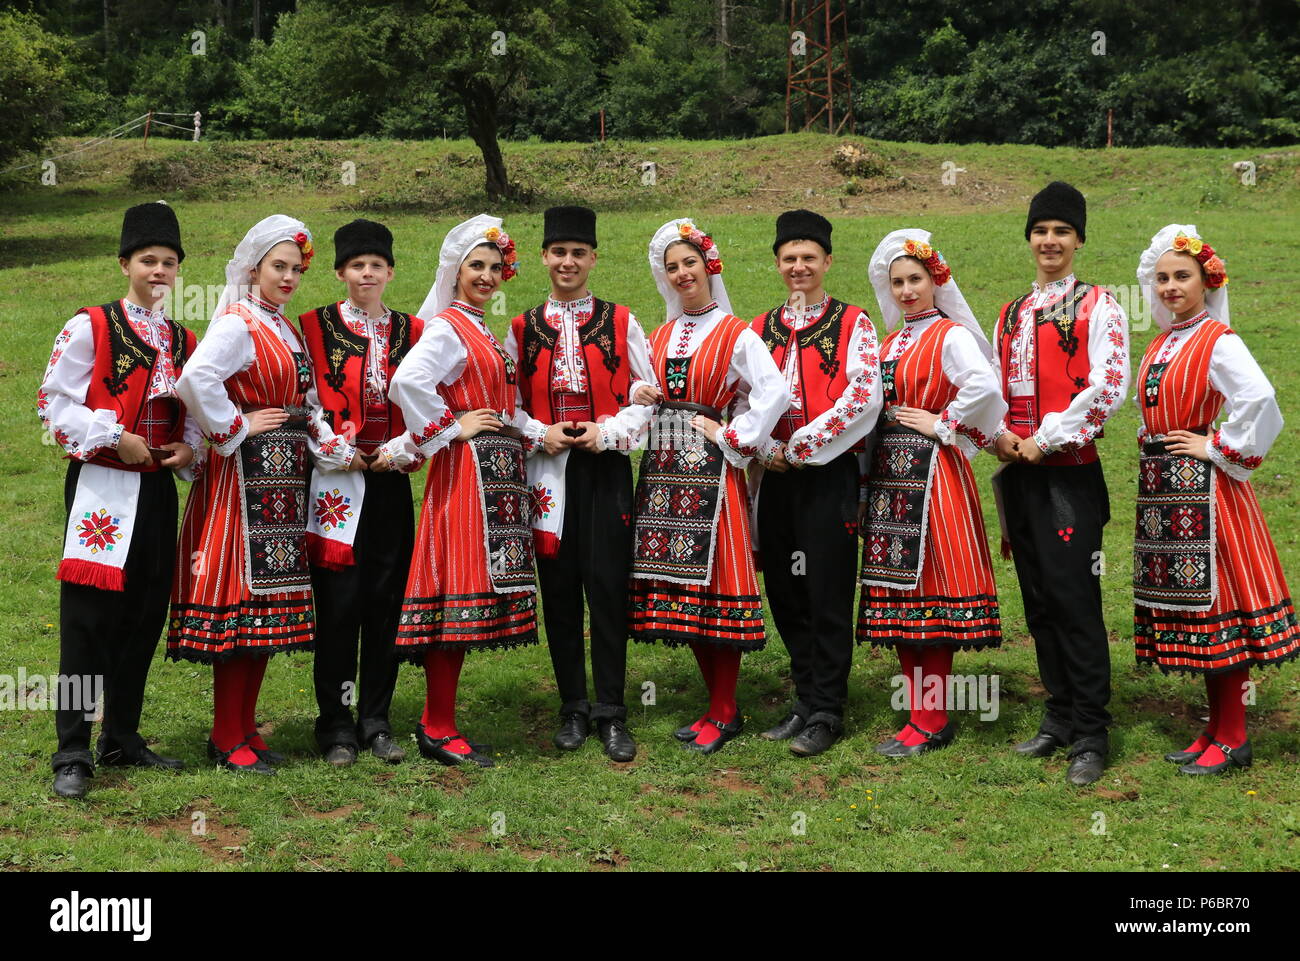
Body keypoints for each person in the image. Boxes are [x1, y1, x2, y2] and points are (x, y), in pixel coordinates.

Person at [169, 215, 360, 774]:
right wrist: (235, 428)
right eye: (279, 267)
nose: (290, 277)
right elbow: (194, 379)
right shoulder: (237, 323)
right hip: (242, 484)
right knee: (243, 606)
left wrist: (328, 443)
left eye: (297, 269)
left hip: (280, 480)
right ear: (253, 268)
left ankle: (244, 729)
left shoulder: (280, 326)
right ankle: (227, 735)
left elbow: (306, 400)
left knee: (265, 611)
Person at [40, 201, 198, 798]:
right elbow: (54, 404)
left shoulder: (184, 338)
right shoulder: (92, 326)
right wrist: (116, 436)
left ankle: (122, 736)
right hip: (103, 487)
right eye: (148, 260)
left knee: (143, 613)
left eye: (169, 262)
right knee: (87, 621)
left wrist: (188, 450)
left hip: (156, 490)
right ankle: (73, 749)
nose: (159, 271)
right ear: (125, 263)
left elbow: (193, 414)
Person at [1132, 224, 1300, 774]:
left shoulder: (1218, 339)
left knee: (1218, 611)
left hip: (1207, 493)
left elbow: (1259, 398)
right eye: (1162, 278)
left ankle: (1234, 736)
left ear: (1207, 281)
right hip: (1166, 491)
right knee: (1199, 615)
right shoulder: (1162, 340)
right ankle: (1213, 728)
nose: (1170, 287)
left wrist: (1217, 444)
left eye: (1182, 276)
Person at [505, 205, 661, 761]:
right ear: (544, 257)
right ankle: (572, 704)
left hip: (604, 467)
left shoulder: (622, 321)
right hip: (548, 472)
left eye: (578, 253)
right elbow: (509, 404)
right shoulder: (521, 328)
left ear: (593, 258)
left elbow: (647, 392)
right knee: (561, 589)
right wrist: (538, 432)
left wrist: (608, 433)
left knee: (607, 586)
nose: (567, 261)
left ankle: (612, 711)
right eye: (558, 252)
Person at [630, 217, 790, 755]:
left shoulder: (735, 331)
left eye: (690, 264)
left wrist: (732, 433)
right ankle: (713, 704)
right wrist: (641, 392)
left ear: (708, 266)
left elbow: (773, 391)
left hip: (711, 470)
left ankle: (724, 709)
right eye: (672, 267)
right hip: (662, 466)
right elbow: (634, 392)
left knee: (716, 585)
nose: (681, 274)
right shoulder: (658, 334)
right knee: (686, 592)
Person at [990, 181, 1130, 786]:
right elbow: (989, 388)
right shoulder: (1012, 312)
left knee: (1075, 601)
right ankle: (1059, 715)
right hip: (1020, 473)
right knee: (1040, 601)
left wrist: (1045, 438)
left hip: (1068, 475)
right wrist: (996, 435)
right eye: (1041, 231)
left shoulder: (1101, 305)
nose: (1050, 241)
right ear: (1029, 239)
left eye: (1061, 232)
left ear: (1078, 240)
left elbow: (1109, 386)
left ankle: (1093, 731)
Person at [389, 214, 537, 768]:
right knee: (453, 593)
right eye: (477, 265)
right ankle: (436, 725)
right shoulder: (449, 327)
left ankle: (442, 720)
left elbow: (505, 403)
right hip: (463, 475)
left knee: (467, 596)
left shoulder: (482, 328)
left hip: (494, 474)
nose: (487, 275)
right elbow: (406, 382)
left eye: (495, 268)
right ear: (455, 271)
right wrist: (452, 427)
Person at [858, 229, 1006, 757]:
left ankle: (933, 716)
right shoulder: (890, 340)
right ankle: (917, 712)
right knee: (900, 591)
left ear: (934, 280)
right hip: (892, 475)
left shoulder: (950, 334)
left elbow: (985, 384)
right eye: (897, 282)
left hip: (933, 473)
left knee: (931, 592)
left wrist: (943, 422)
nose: (905, 290)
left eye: (914, 279)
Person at [749, 209, 881, 757]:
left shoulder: (854, 322)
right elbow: (744, 397)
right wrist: (765, 448)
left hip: (828, 475)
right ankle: (804, 696)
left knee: (827, 588)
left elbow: (864, 395)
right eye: (789, 258)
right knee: (784, 587)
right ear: (778, 264)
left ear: (827, 261)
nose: (799, 266)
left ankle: (828, 706)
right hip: (777, 476)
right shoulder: (758, 329)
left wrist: (802, 447)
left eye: (808, 257)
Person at [298, 219, 426, 766]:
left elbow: (428, 399)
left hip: (390, 479)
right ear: (341, 272)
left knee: (385, 602)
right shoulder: (312, 327)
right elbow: (305, 399)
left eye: (377, 264)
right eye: (357, 265)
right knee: (340, 604)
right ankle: (335, 726)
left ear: (390, 271)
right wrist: (337, 449)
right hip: (337, 483)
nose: (367, 273)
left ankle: (376, 719)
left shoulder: (414, 330)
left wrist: (401, 448)